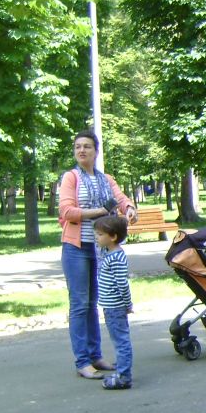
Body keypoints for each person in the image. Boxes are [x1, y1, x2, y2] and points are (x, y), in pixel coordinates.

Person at [58, 130, 138, 380]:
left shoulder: (105, 179)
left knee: (94, 303)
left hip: (98, 250)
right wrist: (100, 211)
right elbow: (67, 212)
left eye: (87, 147)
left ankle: (95, 356)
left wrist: (130, 208)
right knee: (80, 305)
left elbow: (121, 198)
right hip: (76, 248)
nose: (81, 151)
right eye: (77, 147)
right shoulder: (71, 178)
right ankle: (82, 361)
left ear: (96, 151)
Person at [94, 215, 134, 390]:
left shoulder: (117, 257)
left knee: (121, 341)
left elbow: (122, 284)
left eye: (100, 234)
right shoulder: (108, 252)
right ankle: (122, 370)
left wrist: (127, 304)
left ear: (113, 237)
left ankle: (124, 377)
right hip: (109, 306)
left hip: (116, 306)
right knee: (118, 339)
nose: (97, 237)